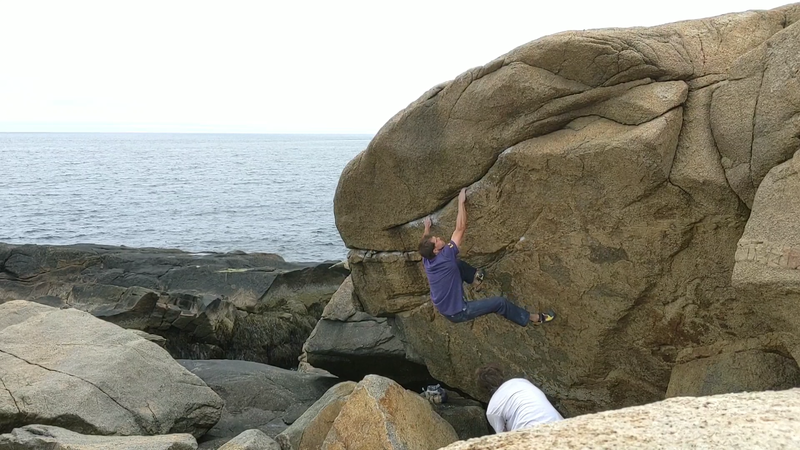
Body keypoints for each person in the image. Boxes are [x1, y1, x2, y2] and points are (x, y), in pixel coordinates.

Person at [418, 188, 555, 327]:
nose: (439, 238)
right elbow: (460, 228)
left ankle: (475, 280)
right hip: (459, 311)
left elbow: (424, 242)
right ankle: (535, 318)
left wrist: (427, 228)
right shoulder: (445, 256)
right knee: (500, 303)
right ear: (436, 250)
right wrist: (461, 202)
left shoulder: (427, 258)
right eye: (436, 240)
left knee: (457, 264)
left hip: (444, 306)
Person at [476, 363, 564, 433]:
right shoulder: (522, 382)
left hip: (531, 435)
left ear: (485, 389)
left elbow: (503, 439)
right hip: (560, 426)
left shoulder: (492, 408)